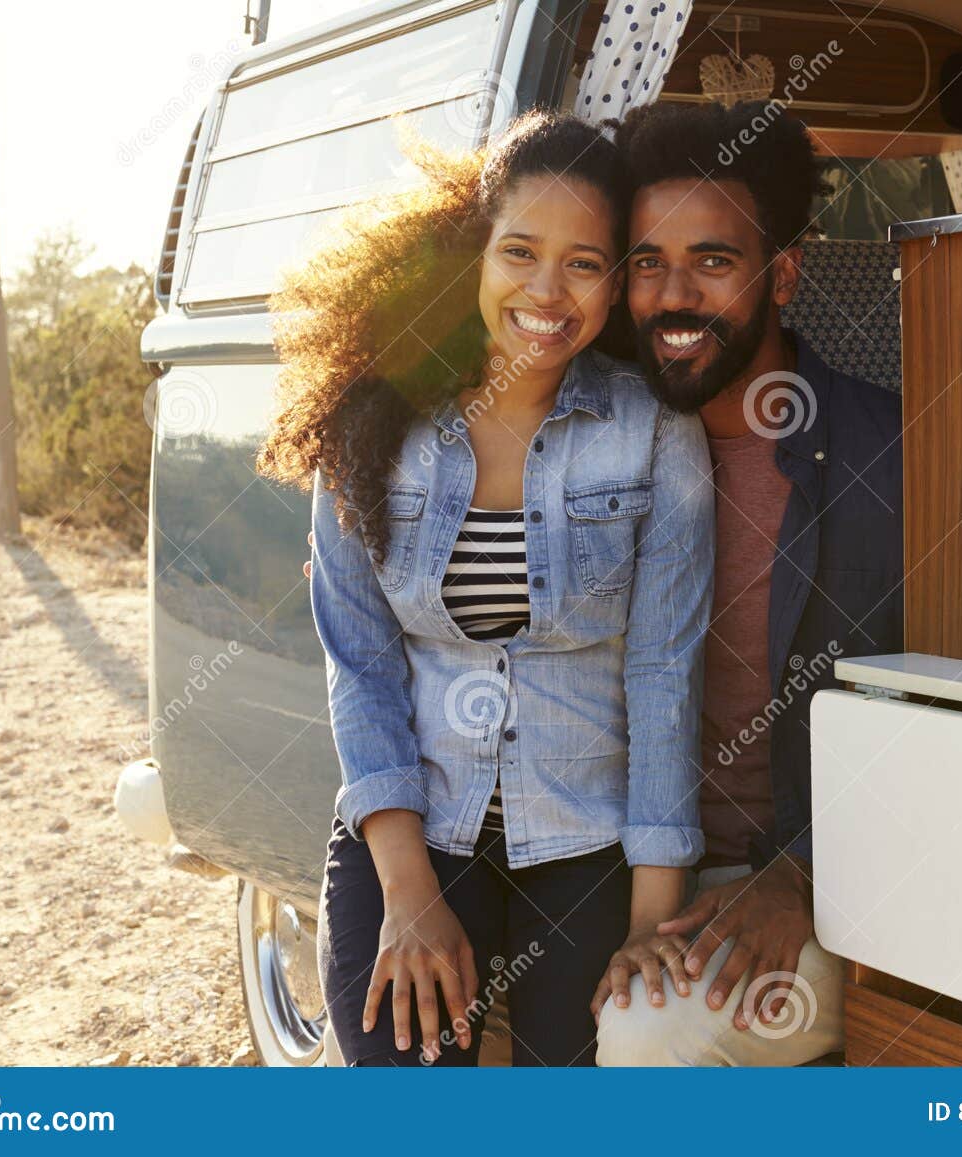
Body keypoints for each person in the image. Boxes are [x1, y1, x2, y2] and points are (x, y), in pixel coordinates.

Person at [261, 110, 714, 1066]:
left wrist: (651, 924)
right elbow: (362, 667)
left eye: (586, 263)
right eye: (520, 251)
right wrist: (409, 892)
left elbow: (665, 673)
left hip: (588, 850)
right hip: (416, 836)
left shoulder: (654, 434)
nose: (547, 291)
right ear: (473, 253)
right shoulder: (369, 423)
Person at [590, 101, 904, 1066]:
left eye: (713, 261)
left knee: (651, 1039)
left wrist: (801, 875)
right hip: (622, 864)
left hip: (835, 882)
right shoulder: (587, 442)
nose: (673, 296)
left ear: (785, 272)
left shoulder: (898, 451)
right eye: (647, 262)